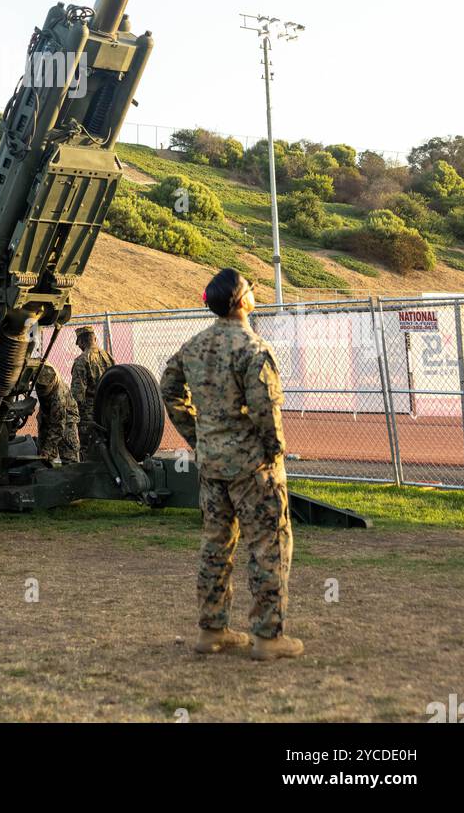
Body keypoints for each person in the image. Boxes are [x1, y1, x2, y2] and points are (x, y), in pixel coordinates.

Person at [160, 268, 301, 661]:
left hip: (212, 464)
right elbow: (265, 410)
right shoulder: (251, 348)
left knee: (215, 544)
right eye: (251, 289)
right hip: (253, 468)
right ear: (241, 300)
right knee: (268, 545)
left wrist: (197, 433)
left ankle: (212, 629)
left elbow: (168, 386)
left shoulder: (195, 346)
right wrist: (274, 451)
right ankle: (268, 637)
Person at [70, 325, 114, 458]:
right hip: (107, 409)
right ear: (94, 338)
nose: (78, 346)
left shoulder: (82, 360)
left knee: (87, 448)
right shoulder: (108, 357)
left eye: (79, 343)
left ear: (82, 342)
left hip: (89, 413)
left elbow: (77, 395)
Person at [34, 361, 80, 465]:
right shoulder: (41, 369)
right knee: (43, 455)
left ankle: (70, 475)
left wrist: (48, 449)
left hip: (66, 418)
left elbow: (58, 426)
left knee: (70, 458)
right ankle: (46, 467)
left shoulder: (59, 398)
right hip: (47, 413)